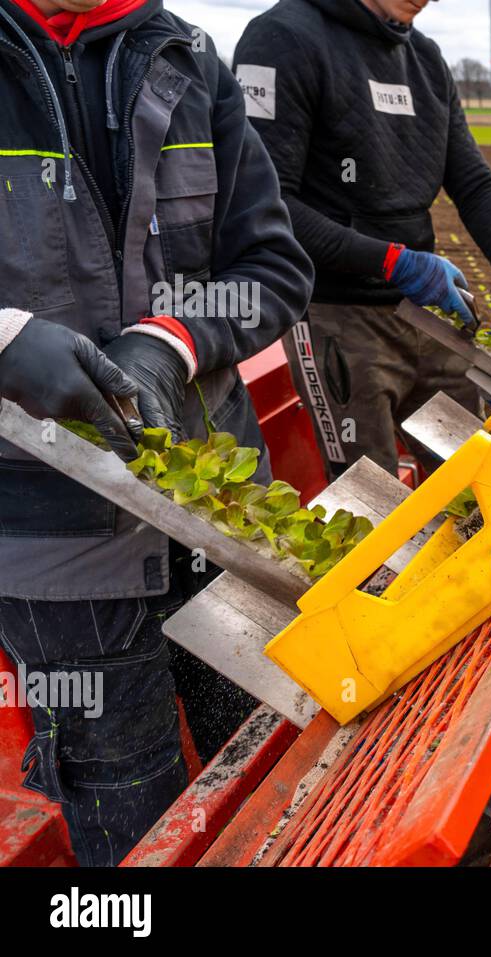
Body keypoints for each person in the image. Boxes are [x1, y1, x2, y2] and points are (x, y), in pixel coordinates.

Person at [0, 0, 314, 865]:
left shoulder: (186, 60)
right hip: (49, 542)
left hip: (222, 516)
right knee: (123, 798)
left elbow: (273, 268)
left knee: (258, 757)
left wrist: (171, 341)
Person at [234, 0, 491, 479]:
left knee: (477, 481)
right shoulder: (283, 38)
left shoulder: (423, 58)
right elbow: (268, 201)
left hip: (428, 313)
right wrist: (391, 262)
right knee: (371, 500)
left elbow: (473, 181)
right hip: (335, 318)